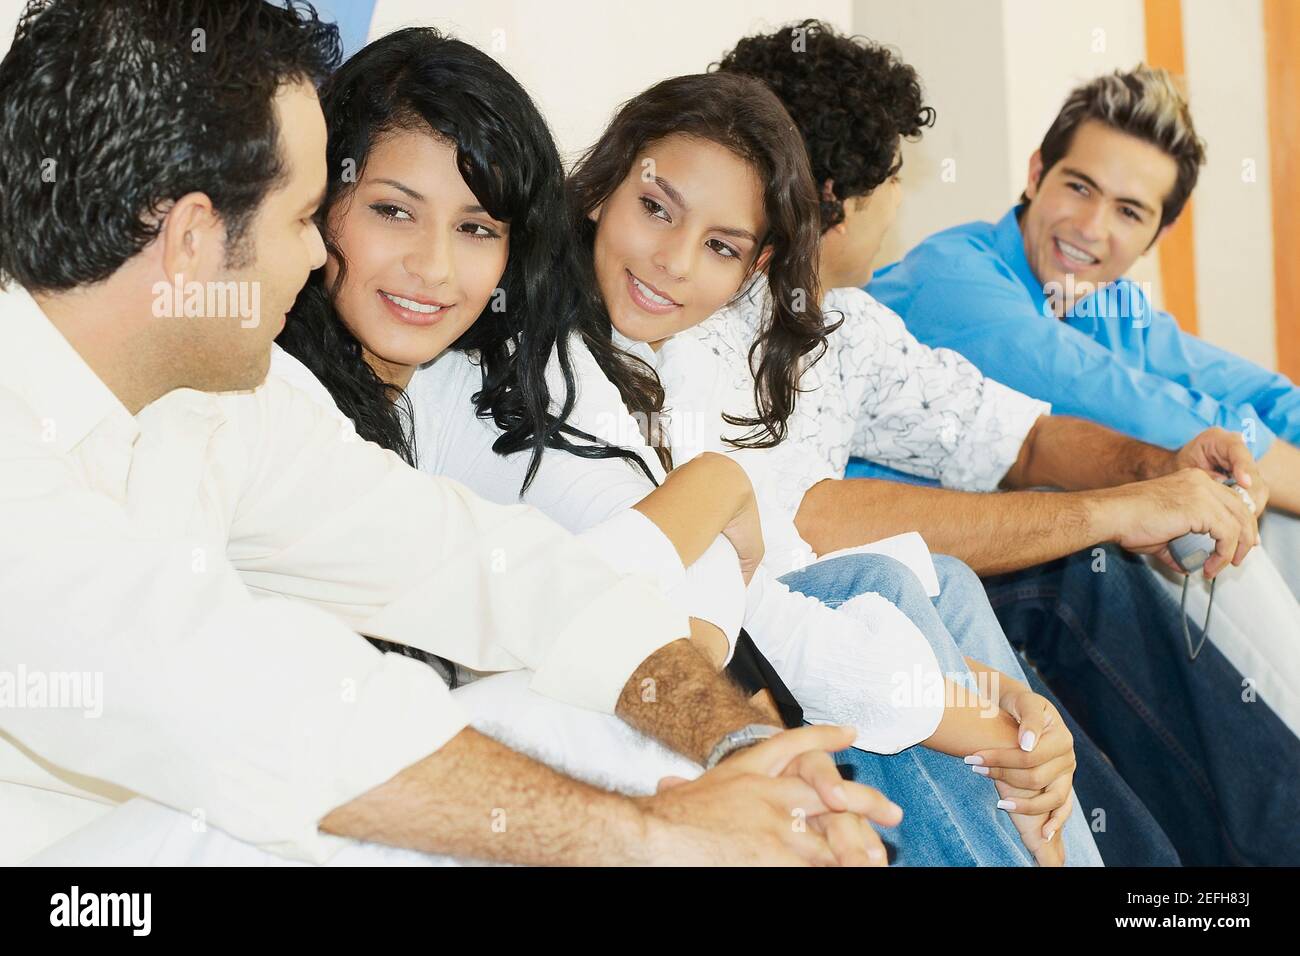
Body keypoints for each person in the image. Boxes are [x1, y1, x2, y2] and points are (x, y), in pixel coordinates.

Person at [0, 0, 897, 868]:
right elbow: (265, 718)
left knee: (583, 736)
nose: (318, 257)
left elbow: (483, 566)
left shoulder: (224, 402)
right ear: (194, 238)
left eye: (476, 228)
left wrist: (736, 741)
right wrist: (662, 832)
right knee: (470, 775)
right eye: (308, 217)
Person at [273, 34, 1105, 865]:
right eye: (393, 210)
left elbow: (741, 575)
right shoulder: (498, 374)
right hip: (528, 750)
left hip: (633, 692)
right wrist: (716, 491)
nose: (433, 267)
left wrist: (973, 694)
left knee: (903, 607)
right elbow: (658, 610)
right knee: (878, 626)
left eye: (476, 227)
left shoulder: (642, 361)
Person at [690, 19, 1300, 865]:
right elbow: (805, 525)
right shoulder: (723, 314)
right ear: (836, 200)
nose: (1094, 226)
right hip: (798, 630)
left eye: (1130, 211)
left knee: (1102, 554)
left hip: (902, 593)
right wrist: (1123, 502)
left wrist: (1160, 469)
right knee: (1028, 571)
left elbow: (1023, 438)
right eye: (896, 180)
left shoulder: (843, 323)